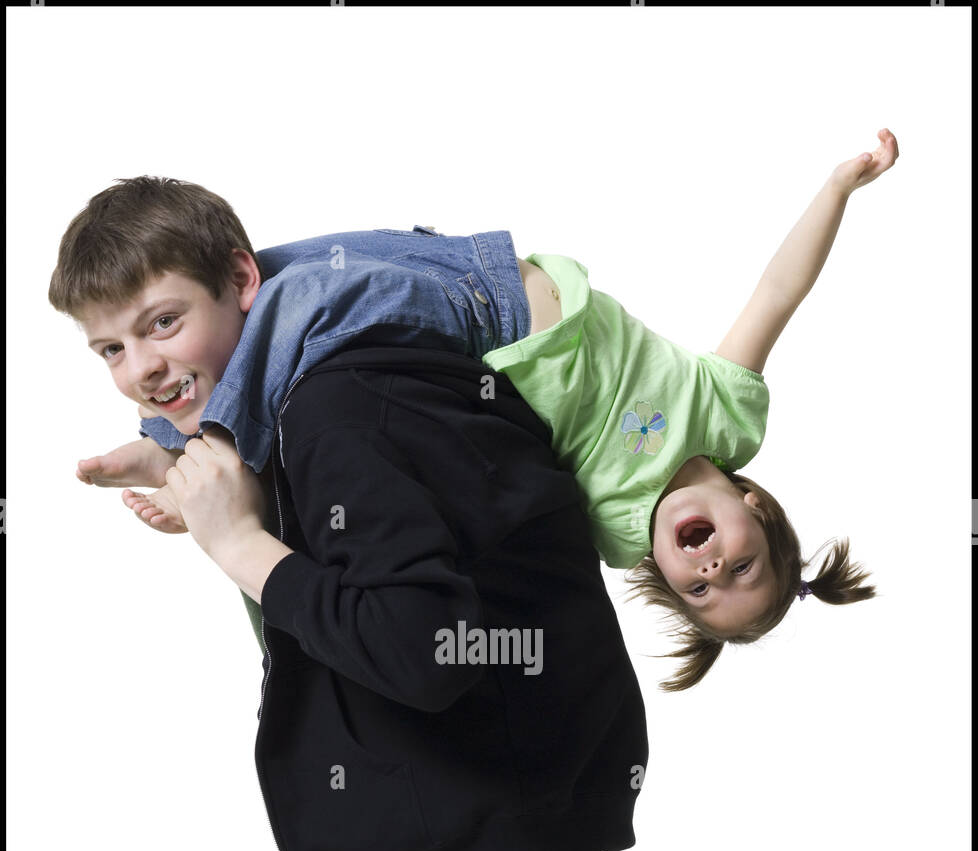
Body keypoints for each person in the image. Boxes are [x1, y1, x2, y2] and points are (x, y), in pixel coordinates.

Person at [48, 182, 650, 851]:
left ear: (243, 279)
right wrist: (230, 480)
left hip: (488, 820)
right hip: (422, 830)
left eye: (163, 321)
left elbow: (430, 645)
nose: (140, 368)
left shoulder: (346, 397)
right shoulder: (307, 396)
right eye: (111, 349)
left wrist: (241, 545)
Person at [63, 128, 897, 692]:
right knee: (238, 280)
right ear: (755, 507)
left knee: (278, 317)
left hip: (450, 335)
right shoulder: (727, 415)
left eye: (701, 596)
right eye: (741, 570)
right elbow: (778, 294)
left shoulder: (610, 532)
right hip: (483, 280)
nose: (709, 573)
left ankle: (186, 455)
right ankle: (184, 443)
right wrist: (838, 189)